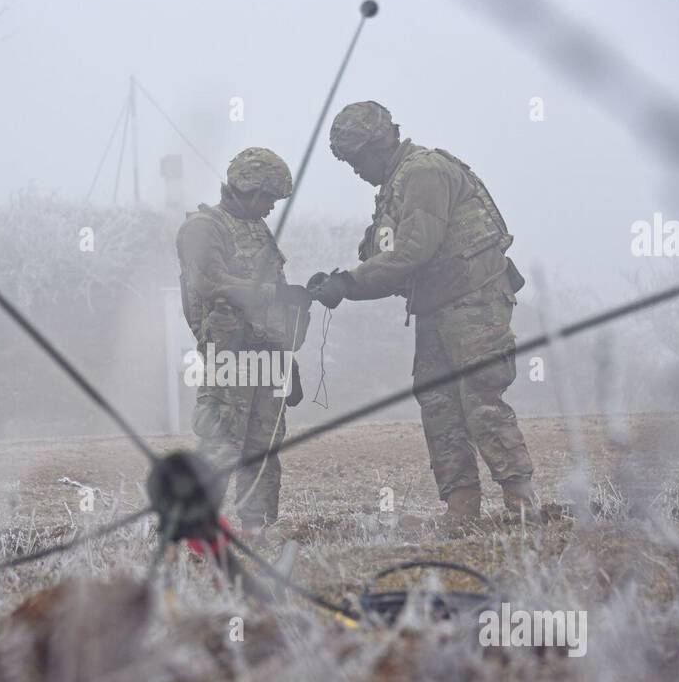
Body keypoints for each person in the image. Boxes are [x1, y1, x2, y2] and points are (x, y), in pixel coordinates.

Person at [308, 101, 538, 525]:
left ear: (378, 145)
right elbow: (391, 260)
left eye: (358, 159)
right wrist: (343, 281)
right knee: (438, 405)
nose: (356, 170)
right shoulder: (396, 186)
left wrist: (350, 284)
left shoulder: (423, 172)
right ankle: (461, 508)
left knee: (480, 400)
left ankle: (522, 505)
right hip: (435, 305)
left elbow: (413, 251)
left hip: (474, 300)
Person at [176, 147, 311, 535]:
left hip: (268, 356)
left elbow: (275, 296)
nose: (271, 207)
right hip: (229, 356)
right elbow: (208, 282)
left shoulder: (258, 228)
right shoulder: (204, 227)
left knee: (264, 446)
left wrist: (289, 357)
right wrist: (273, 294)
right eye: (267, 197)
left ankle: (258, 528)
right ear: (247, 189)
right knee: (220, 443)